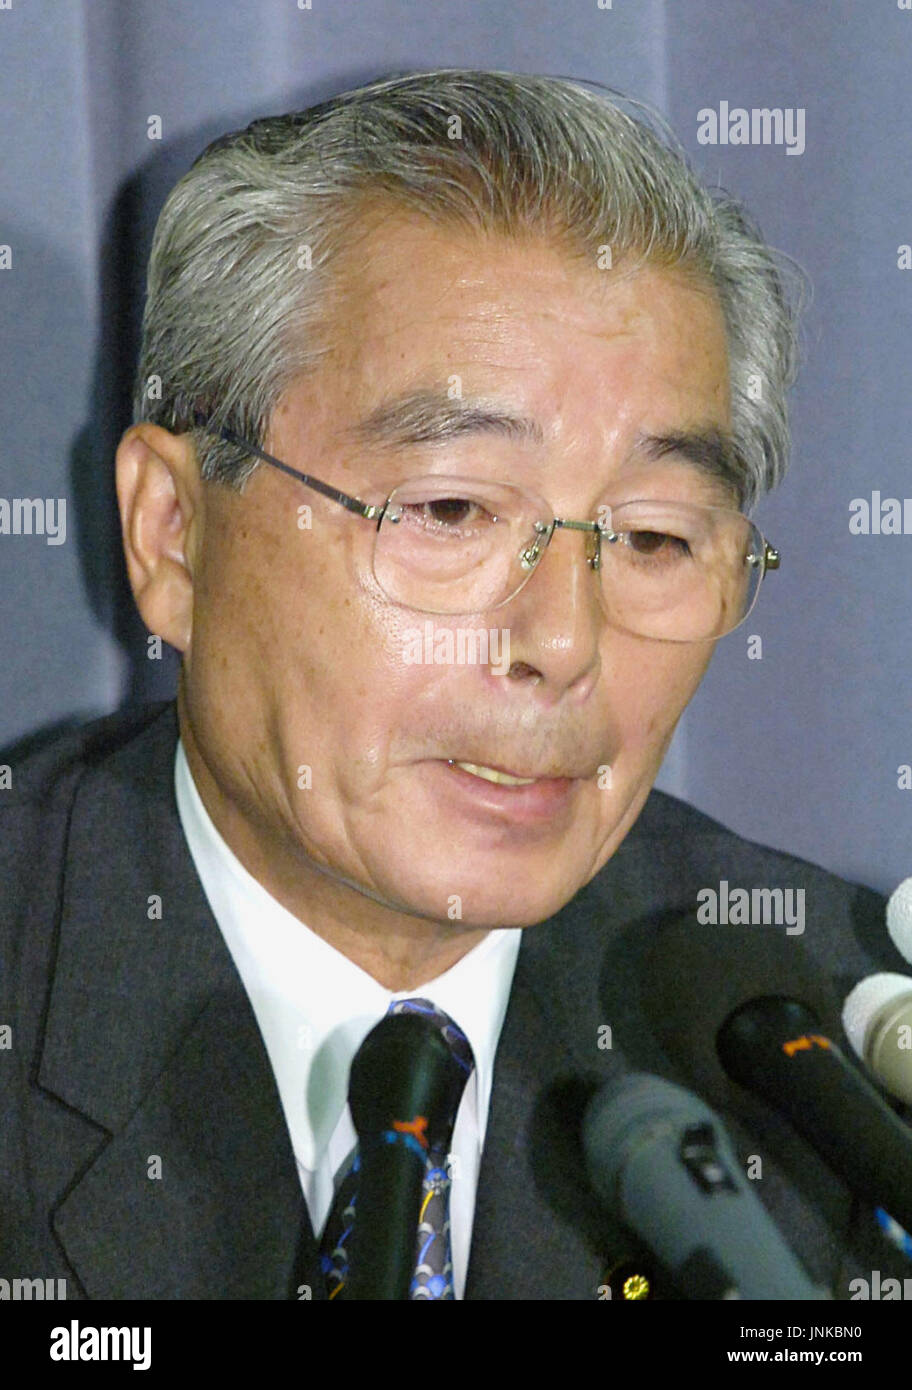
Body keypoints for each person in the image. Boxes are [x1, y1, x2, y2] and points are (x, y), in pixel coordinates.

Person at [1, 68, 906, 1301]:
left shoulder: (834, 1063)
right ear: (174, 534)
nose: (564, 643)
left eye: (651, 538)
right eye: (451, 510)